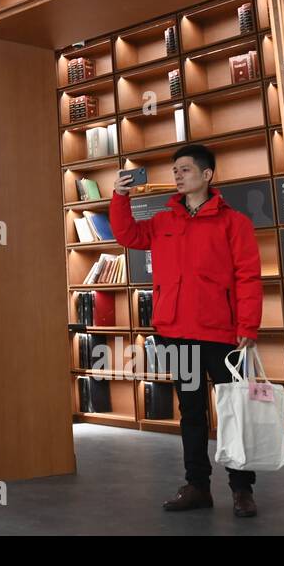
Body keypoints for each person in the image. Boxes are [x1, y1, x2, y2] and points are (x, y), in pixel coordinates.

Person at [110, 143, 263, 517]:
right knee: (192, 414)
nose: (177, 174)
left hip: (223, 334)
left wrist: (248, 325)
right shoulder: (164, 221)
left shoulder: (234, 223)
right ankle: (197, 486)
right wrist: (119, 195)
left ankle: (242, 489)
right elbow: (127, 235)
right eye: (175, 169)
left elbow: (248, 276)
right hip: (177, 332)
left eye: (186, 169)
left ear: (207, 175)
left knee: (234, 411)